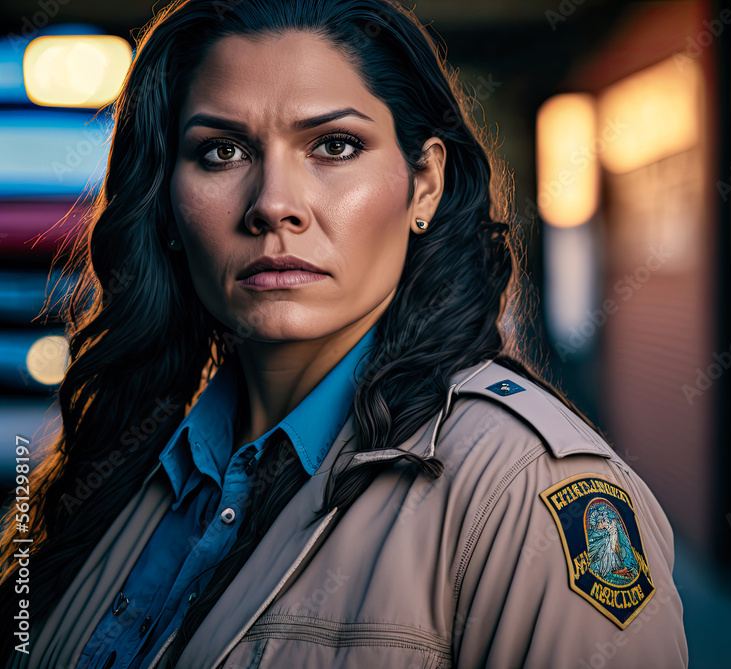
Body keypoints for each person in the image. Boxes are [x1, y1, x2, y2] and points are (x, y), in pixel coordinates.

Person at [0, 1, 689, 667]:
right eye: (221, 151)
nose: (274, 204)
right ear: (168, 202)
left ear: (425, 185)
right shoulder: (128, 458)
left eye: (334, 146)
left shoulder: (526, 491)